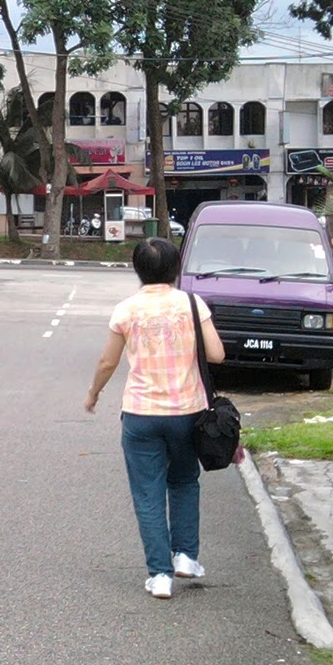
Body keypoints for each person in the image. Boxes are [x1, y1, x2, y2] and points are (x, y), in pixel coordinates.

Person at [85, 237, 225, 600]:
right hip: (187, 411)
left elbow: (107, 362)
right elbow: (217, 354)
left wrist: (94, 393)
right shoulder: (193, 305)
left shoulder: (126, 310)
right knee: (183, 482)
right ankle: (186, 557)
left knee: (148, 493)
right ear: (176, 268)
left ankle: (159, 575)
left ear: (137, 270)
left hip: (140, 414)